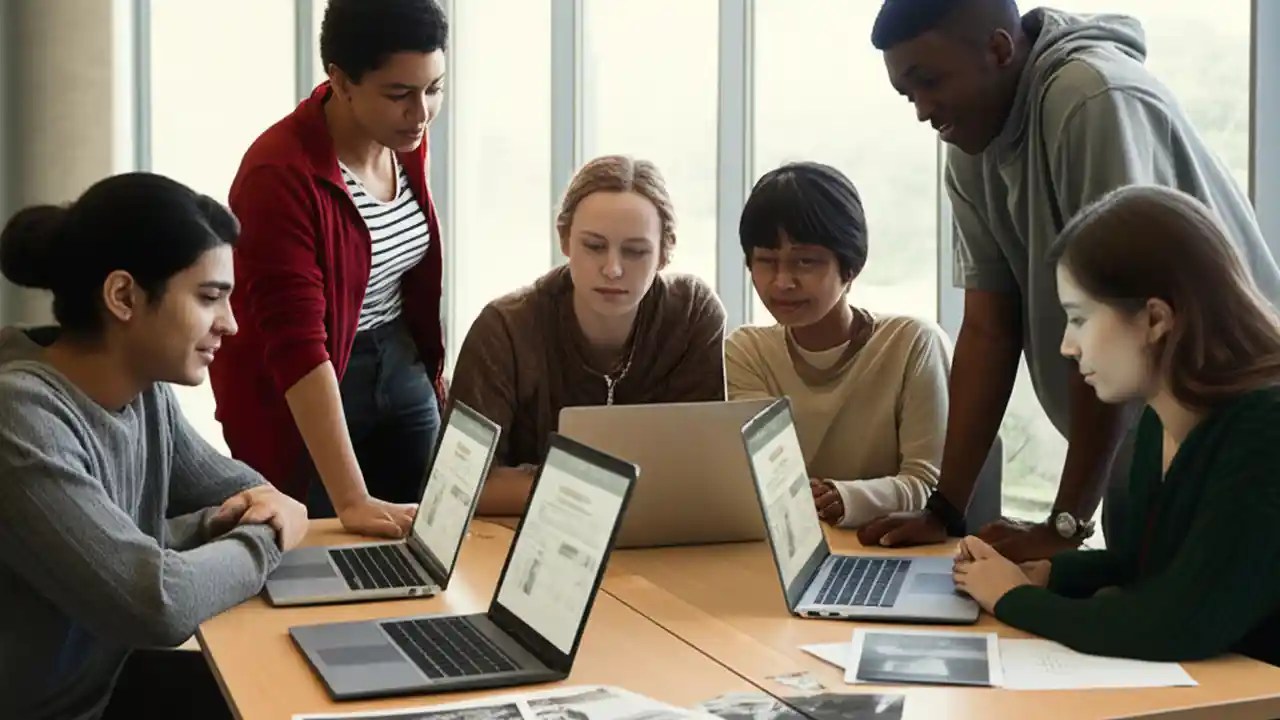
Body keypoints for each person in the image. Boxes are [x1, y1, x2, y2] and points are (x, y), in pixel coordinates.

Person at [862, 0, 1280, 560]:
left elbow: (1123, 317)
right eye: (906, 95)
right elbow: (989, 329)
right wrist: (945, 509)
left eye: (930, 82)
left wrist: (1063, 525)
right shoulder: (970, 150)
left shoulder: (1089, 100)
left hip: (1233, 424)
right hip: (1149, 431)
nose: (922, 110)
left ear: (999, 49)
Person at [0, 173, 307, 719]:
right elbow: (156, 604)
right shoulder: (20, 417)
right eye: (210, 297)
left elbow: (240, 489)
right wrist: (268, 537)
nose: (231, 325)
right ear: (123, 296)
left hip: (107, 689)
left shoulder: (145, 393)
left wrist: (222, 521)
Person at [952, 185, 1280, 665]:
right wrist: (1048, 574)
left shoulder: (1264, 434)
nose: (1067, 345)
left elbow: (1176, 625)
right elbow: (1148, 568)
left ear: (1154, 318)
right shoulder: (1157, 420)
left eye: (1080, 319)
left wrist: (1013, 599)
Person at [210, 0, 449, 538]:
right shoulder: (278, 174)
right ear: (340, 80)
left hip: (399, 363)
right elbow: (297, 346)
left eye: (434, 88)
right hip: (309, 387)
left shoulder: (403, 138)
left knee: (426, 544)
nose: (422, 112)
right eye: (399, 94)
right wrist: (353, 498)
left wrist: (429, 373)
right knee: (319, 553)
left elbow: (400, 274)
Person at [450, 155, 727, 516]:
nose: (612, 269)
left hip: (661, 539)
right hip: (528, 541)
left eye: (635, 251)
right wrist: (610, 488)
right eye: (594, 246)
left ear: (664, 253)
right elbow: (463, 484)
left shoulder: (692, 314)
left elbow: (704, 471)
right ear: (564, 240)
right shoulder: (505, 327)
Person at [726, 162, 950, 529]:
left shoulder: (911, 344)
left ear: (851, 266)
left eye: (805, 262)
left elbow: (931, 487)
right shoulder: (747, 352)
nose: (782, 282)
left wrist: (842, 497)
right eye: (766, 261)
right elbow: (761, 482)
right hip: (787, 556)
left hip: (887, 552)